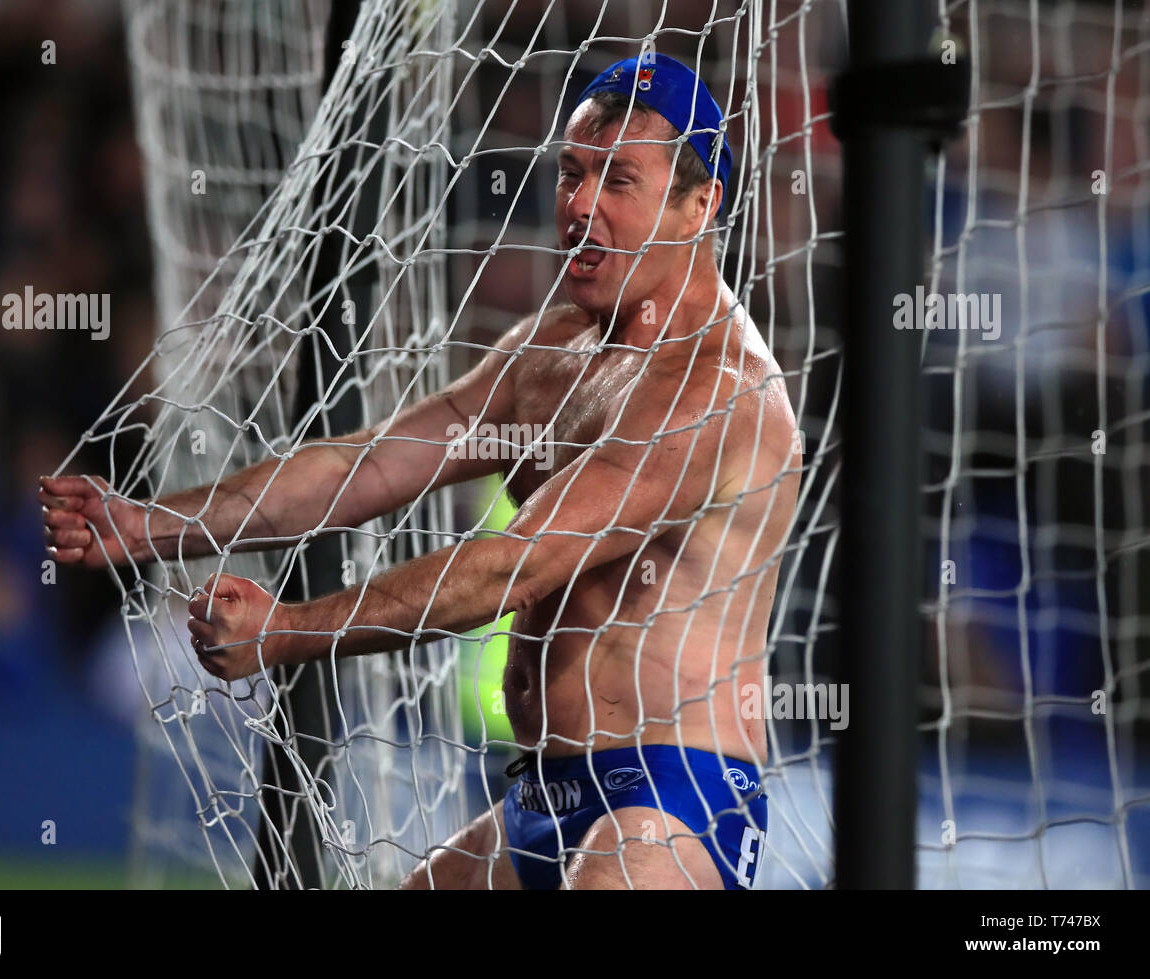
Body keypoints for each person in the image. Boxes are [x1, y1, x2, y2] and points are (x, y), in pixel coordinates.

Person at [41, 54, 801, 889]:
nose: (581, 205)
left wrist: (287, 630)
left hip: (672, 800)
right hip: (545, 794)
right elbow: (364, 466)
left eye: (618, 180)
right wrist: (150, 525)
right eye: (572, 174)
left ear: (701, 205)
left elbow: (516, 565)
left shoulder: (715, 390)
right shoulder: (554, 352)